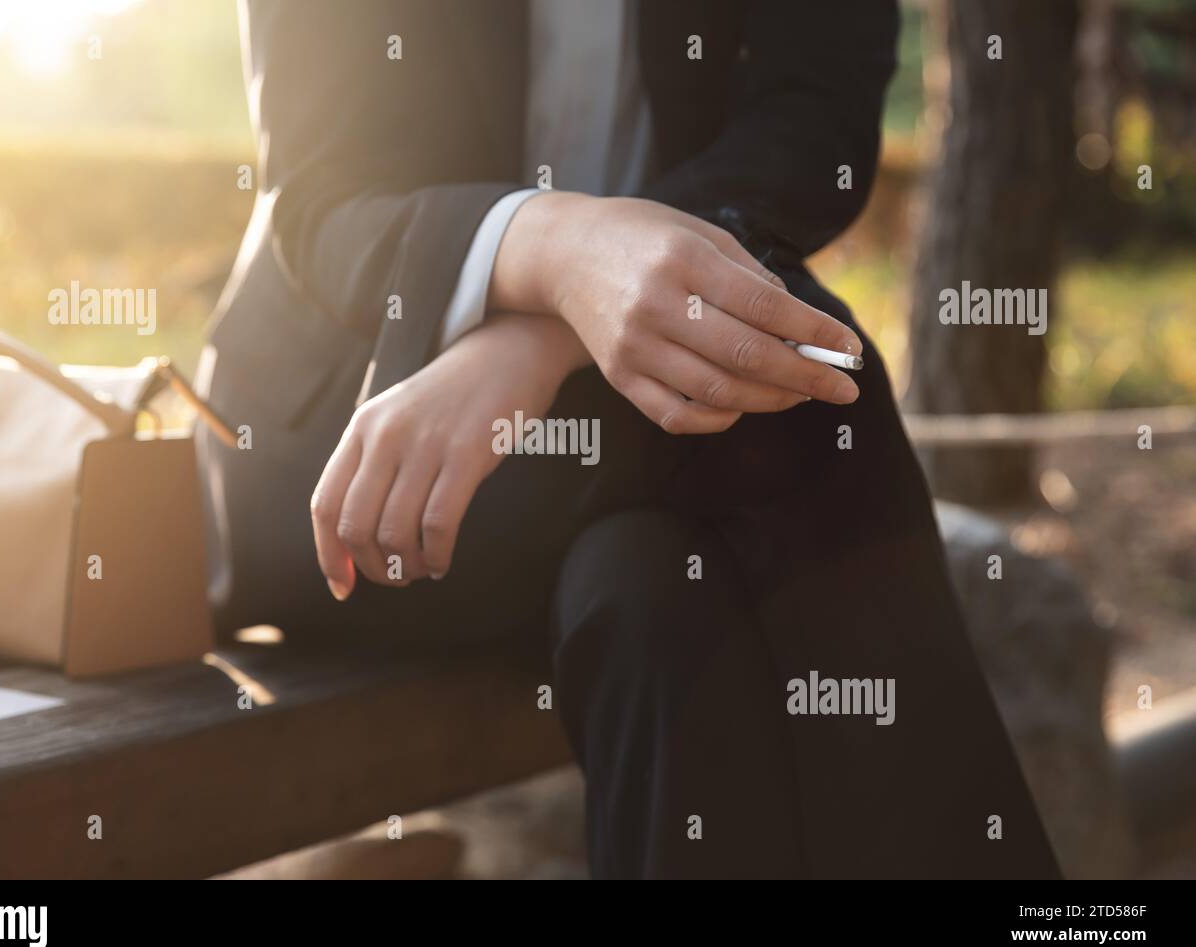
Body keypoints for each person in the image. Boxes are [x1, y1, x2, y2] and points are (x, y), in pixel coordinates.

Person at [195, 0, 1061, 878]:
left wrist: (561, 328)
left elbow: (817, 128)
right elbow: (324, 191)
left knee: (648, 590)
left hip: (661, 428)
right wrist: (556, 250)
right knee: (814, 401)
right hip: (369, 439)